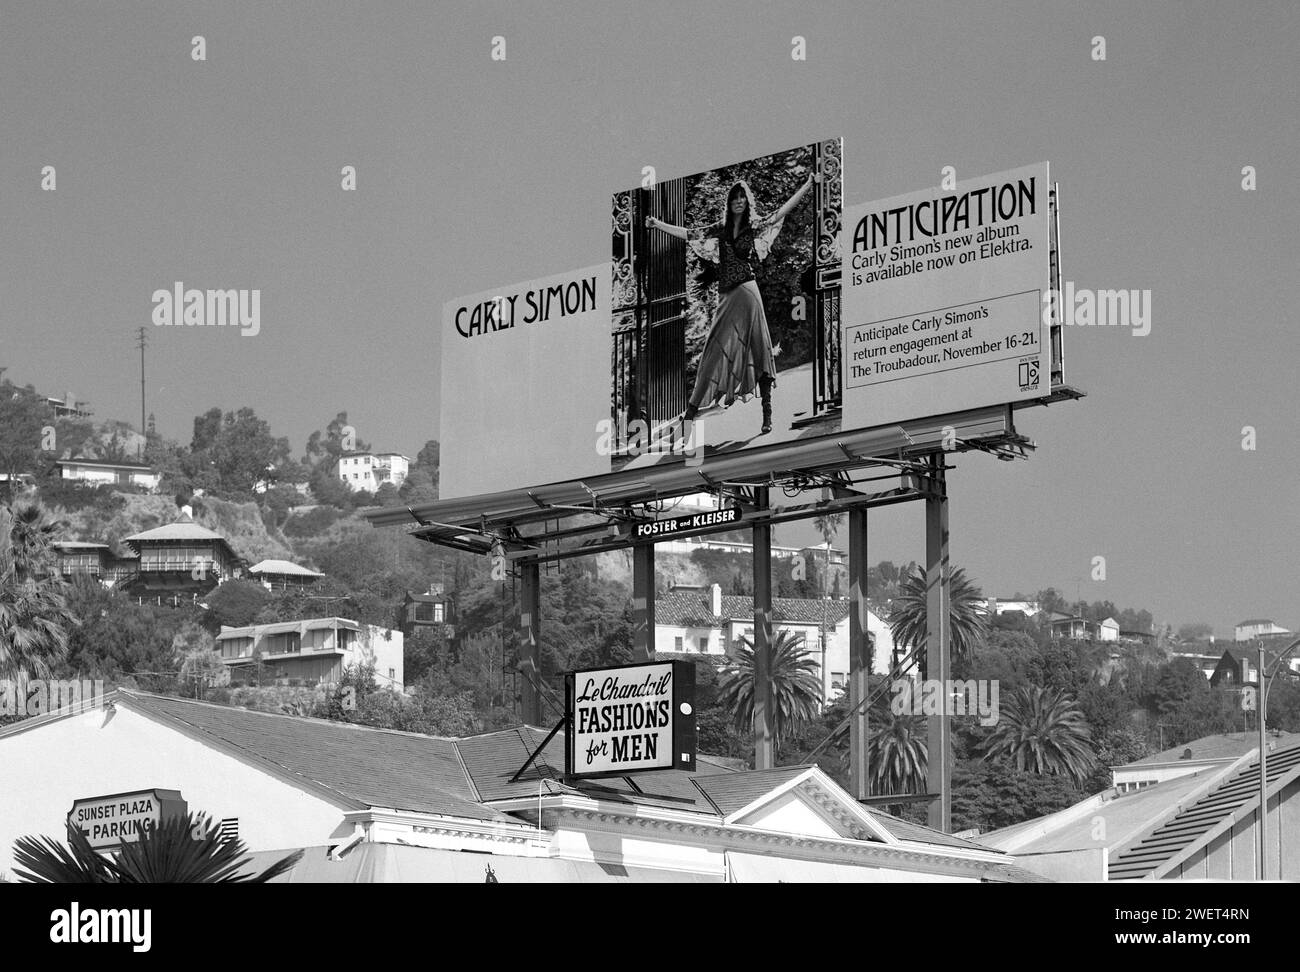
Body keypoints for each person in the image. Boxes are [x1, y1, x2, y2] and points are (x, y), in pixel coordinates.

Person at [647, 170, 819, 434]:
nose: (739, 201)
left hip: (748, 292)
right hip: (727, 295)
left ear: (747, 201)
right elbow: (690, 233)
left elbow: (782, 211)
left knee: (760, 348)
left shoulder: (755, 225)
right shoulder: (720, 228)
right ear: (729, 202)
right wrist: (659, 225)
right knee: (713, 351)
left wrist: (808, 184)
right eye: (735, 197)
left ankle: (767, 415)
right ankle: (689, 417)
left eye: (742, 197)